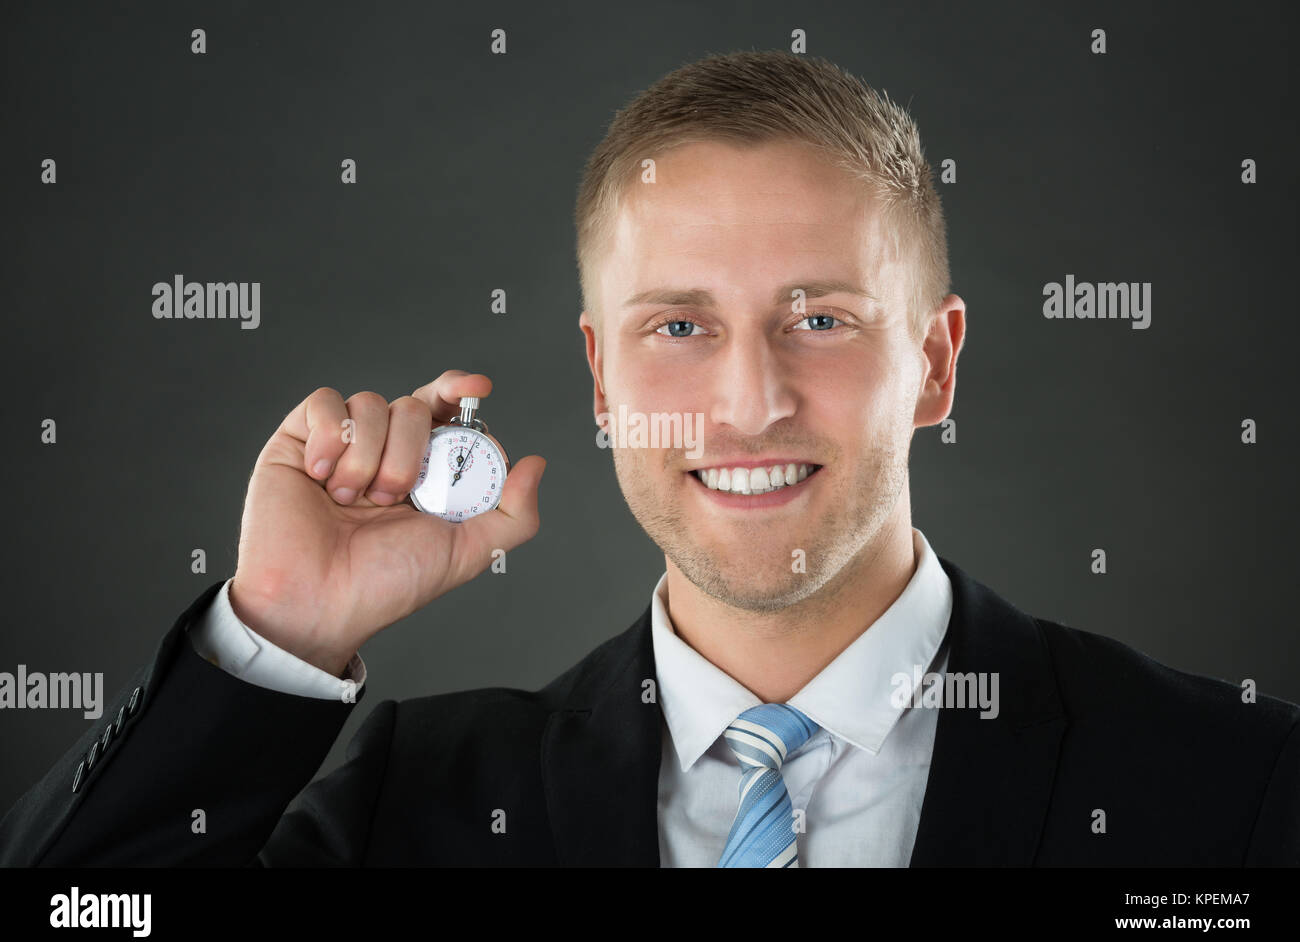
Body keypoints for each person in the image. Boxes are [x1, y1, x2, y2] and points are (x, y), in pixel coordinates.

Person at [2, 50, 1296, 867]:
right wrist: (274, 632)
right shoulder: (422, 808)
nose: (749, 398)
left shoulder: (1232, 789)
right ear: (604, 378)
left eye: (823, 318)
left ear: (936, 362)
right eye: (679, 325)